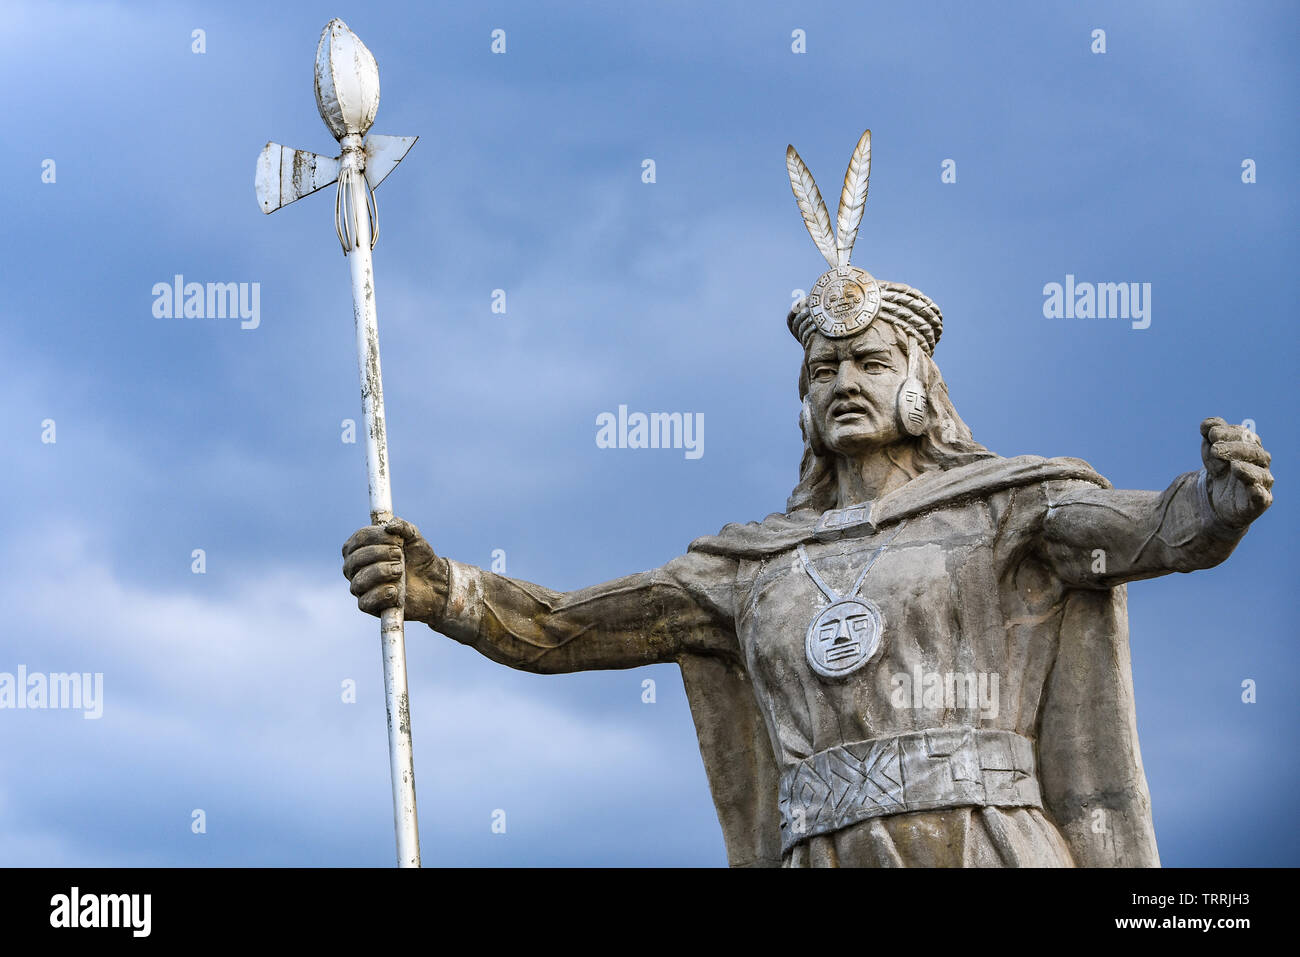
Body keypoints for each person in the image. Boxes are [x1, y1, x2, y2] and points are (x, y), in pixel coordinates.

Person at [341, 133, 1273, 867]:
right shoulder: (751, 566)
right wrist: (445, 591)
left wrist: (1215, 503)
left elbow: (1147, 534)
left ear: (920, 385)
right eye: (823, 369)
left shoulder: (1008, 510)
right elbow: (573, 626)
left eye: (869, 361)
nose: (842, 382)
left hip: (987, 846)